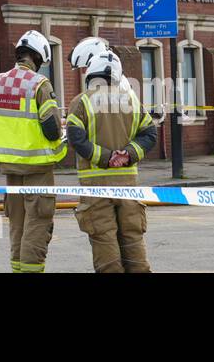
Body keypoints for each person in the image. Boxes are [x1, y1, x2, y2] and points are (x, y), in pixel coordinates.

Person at [66, 47, 158, 273]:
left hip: (95, 187)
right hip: (128, 185)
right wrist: (127, 154)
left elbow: (75, 138)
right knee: (133, 239)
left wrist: (106, 159)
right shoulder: (132, 101)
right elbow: (149, 134)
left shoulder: (81, 101)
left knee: (104, 241)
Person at [0, 29, 67, 273]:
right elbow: (53, 129)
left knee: (17, 224)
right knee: (38, 224)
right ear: (38, 57)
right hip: (37, 166)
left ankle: (17, 269)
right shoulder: (39, 84)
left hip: (9, 167)